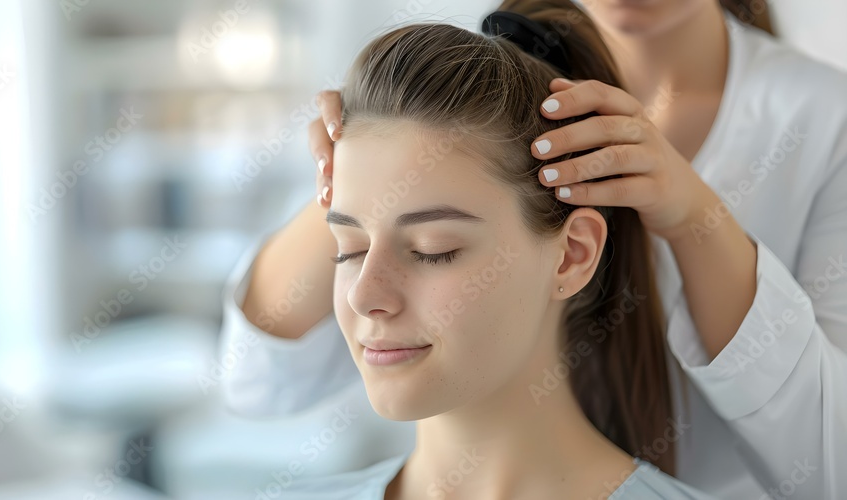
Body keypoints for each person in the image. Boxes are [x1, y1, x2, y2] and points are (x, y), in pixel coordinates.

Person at [221, 0, 847, 497]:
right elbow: (257, 379)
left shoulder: (821, 120)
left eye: (435, 249)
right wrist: (363, 154)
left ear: (575, 255)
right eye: (348, 248)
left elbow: (830, 469)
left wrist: (696, 219)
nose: (368, 292)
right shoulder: (482, 78)